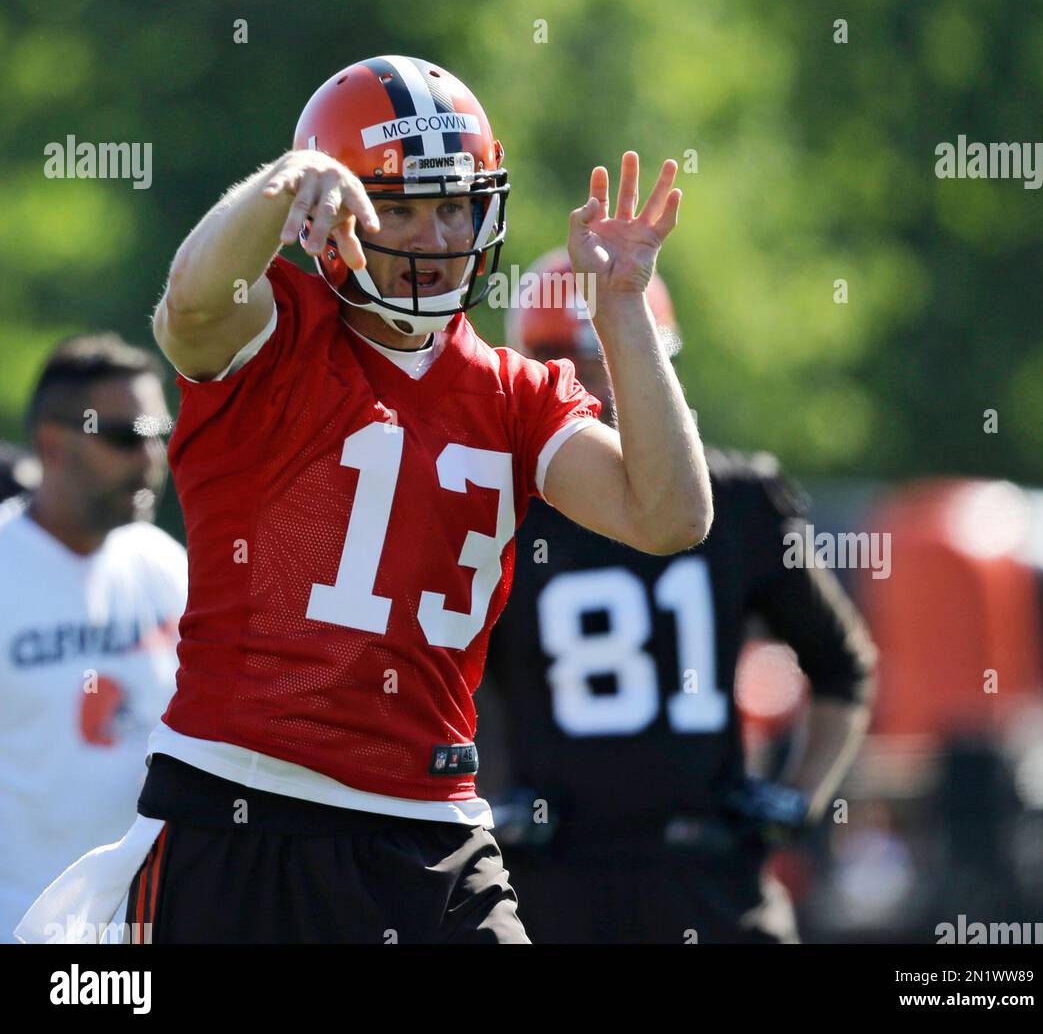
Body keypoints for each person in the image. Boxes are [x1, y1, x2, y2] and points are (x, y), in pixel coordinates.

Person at [20, 53, 711, 945]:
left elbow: (669, 516)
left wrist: (621, 308)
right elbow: (189, 308)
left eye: (453, 205)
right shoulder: (278, 330)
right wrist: (284, 182)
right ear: (331, 216)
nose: (433, 235)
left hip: (430, 826)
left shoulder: (515, 392)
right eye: (403, 207)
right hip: (238, 807)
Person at [482, 248, 878, 942]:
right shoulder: (499, 507)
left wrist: (799, 797)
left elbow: (840, 663)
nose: (593, 387)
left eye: (609, 358)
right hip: (569, 877)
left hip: (686, 870)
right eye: (568, 363)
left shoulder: (734, 501)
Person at [0, 334, 186, 943]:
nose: (151, 456)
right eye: (125, 436)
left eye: (160, 431)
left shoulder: (166, 567)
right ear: (53, 445)